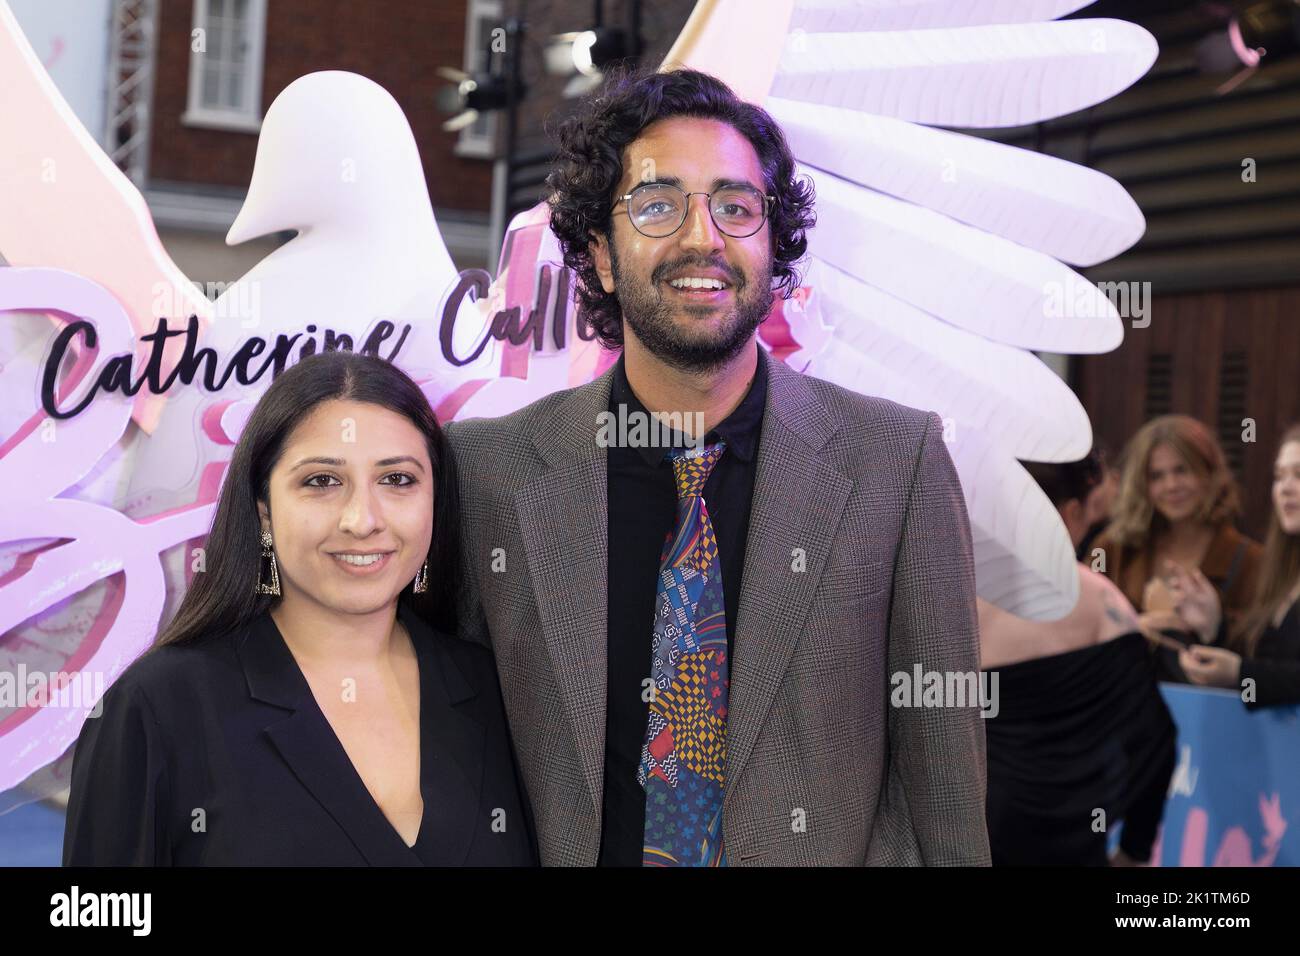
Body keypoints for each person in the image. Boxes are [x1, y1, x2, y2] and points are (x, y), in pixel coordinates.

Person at [445, 66, 989, 866]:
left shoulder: (895, 465)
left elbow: (944, 786)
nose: (703, 237)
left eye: (736, 207)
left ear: (774, 246)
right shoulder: (488, 471)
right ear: (599, 252)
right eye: (659, 205)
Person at [63, 350, 536, 866]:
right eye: (321, 482)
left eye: (397, 479)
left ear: (434, 502)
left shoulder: (498, 690)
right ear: (264, 509)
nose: (363, 519)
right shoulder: (156, 709)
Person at [979, 454, 1175, 867]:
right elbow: (1157, 737)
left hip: (979, 833)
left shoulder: (957, 598)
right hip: (1079, 842)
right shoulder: (1104, 602)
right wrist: (1134, 850)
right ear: (1070, 513)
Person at [1091, 415, 1262, 678]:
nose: (1171, 485)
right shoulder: (1112, 549)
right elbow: (1081, 632)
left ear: (1209, 473)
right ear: (1142, 484)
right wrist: (1134, 630)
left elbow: (1263, 655)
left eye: (1182, 470)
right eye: (1156, 476)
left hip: (1209, 713)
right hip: (1120, 707)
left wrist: (1215, 627)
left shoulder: (1251, 560)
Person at [1163, 425, 1300, 708]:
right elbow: (1270, 662)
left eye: (1299, 475)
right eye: (1279, 476)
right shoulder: (1279, 571)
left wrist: (1240, 673)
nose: (1285, 488)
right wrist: (1215, 627)